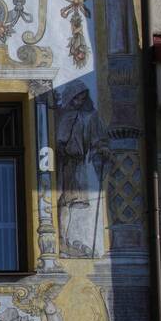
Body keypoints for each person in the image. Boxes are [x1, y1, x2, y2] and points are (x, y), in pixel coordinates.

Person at [56, 83, 108, 257]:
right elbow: (59, 139)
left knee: (71, 201)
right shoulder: (61, 115)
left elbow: (96, 139)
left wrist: (101, 149)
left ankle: (69, 239)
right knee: (64, 200)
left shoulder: (88, 117)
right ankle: (62, 239)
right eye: (76, 97)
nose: (79, 101)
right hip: (63, 163)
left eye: (82, 98)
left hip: (77, 163)